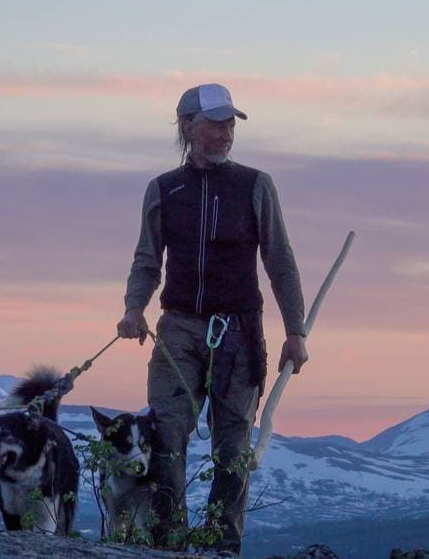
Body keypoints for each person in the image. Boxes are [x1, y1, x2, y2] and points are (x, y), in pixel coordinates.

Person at [116, 83, 308, 555]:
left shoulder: (255, 185)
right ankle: (169, 545)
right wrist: (133, 309)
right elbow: (147, 259)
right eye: (216, 124)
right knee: (166, 437)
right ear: (188, 127)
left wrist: (295, 331)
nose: (226, 133)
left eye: (230, 124)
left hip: (240, 332)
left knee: (233, 448)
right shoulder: (164, 190)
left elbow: (280, 260)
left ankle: (223, 548)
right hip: (178, 328)